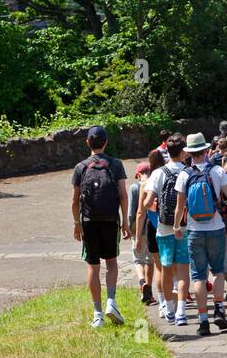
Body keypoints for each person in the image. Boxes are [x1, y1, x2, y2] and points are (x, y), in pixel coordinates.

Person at [173, 133, 227, 337]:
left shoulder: (185, 174)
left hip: (194, 231)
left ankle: (203, 320)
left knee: (198, 276)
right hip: (216, 228)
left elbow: (179, 206)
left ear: (190, 153)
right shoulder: (218, 171)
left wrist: (177, 226)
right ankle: (219, 309)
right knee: (218, 271)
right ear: (206, 150)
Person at [72, 126, 130, 329]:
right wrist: (125, 222)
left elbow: (75, 201)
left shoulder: (80, 167)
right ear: (106, 142)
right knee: (112, 262)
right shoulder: (115, 164)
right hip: (110, 220)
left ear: (87, 142)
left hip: (88, 220)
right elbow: (123, 195)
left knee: (92, 266)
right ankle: (111, 302)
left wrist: (77, 224)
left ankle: (97, 314)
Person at [140, 134, 189, 325]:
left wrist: (158, 208)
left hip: (164, 228)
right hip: (185, 227)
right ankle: (182, 312)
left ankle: (169, 309)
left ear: (167, 151)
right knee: (184, 270)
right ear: (183, 151)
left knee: (166, 269)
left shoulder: (159, 173)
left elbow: (147, 202)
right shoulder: (189, 171)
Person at [130, 154, 163, 306]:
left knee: (138, 259)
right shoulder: (155, 182)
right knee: (151, 261)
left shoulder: (136, 186)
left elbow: (134, 212)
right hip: (153, 227)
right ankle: (149, 291)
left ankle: (142, 282)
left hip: (140, 227)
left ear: (138, 174)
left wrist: (131, 230)